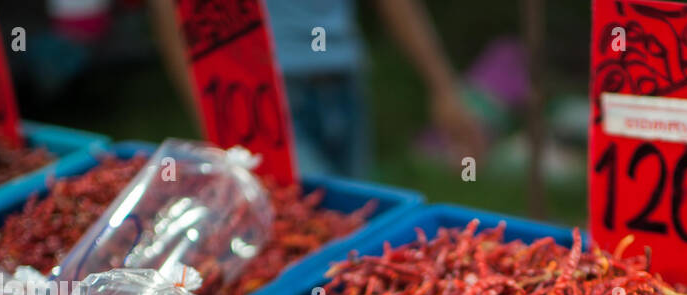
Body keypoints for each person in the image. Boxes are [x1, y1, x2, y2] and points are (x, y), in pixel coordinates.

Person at [151, 0, 486, 179]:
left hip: (343, 78)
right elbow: (171, 10)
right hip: (261, 91)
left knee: (350, 226)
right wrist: (211, 111)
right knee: (317, 234)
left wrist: (443, 86)